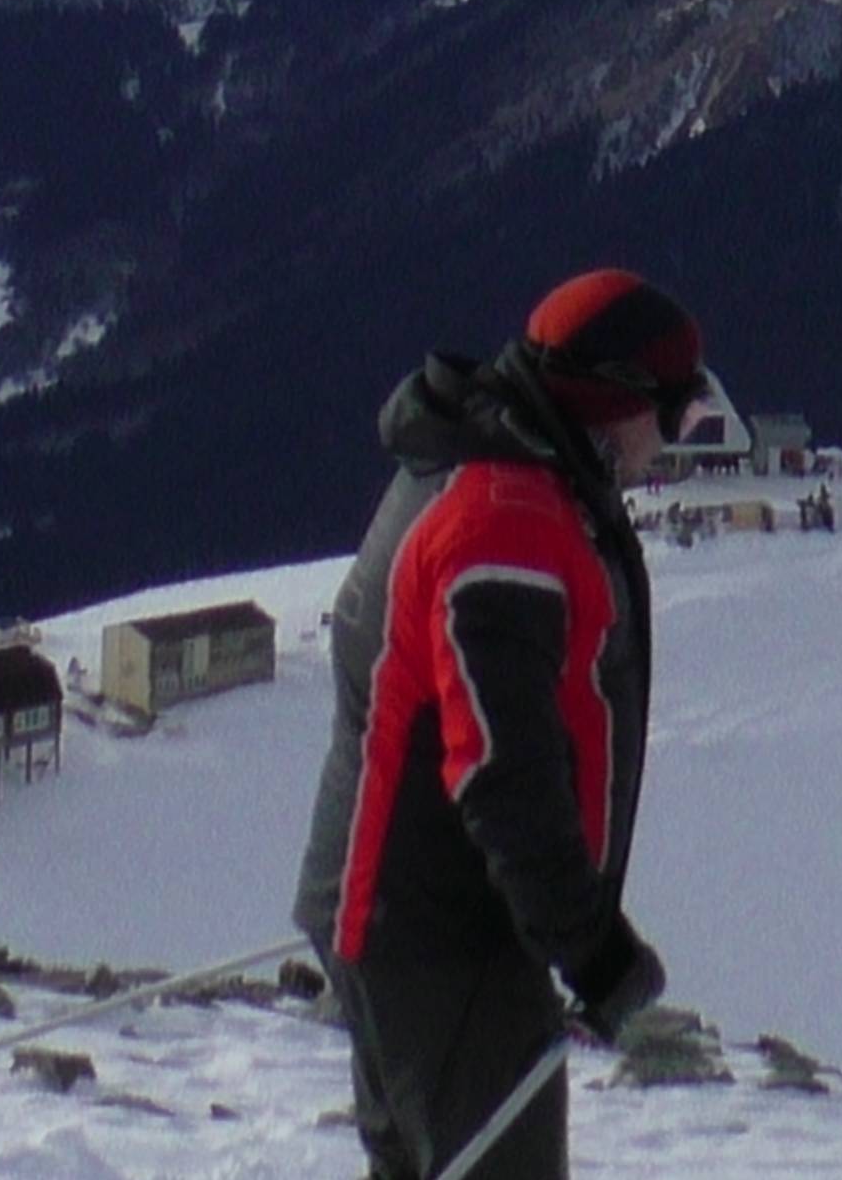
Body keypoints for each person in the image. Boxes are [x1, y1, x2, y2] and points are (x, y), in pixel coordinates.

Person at [294, 268, 708, 1180]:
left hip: (410, 916)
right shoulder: (506, 526)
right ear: (615, 402)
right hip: (442, 940)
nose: (677, 442)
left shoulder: (492, 464)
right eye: (677, 412)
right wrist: (594, 953)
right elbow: (501, 769)